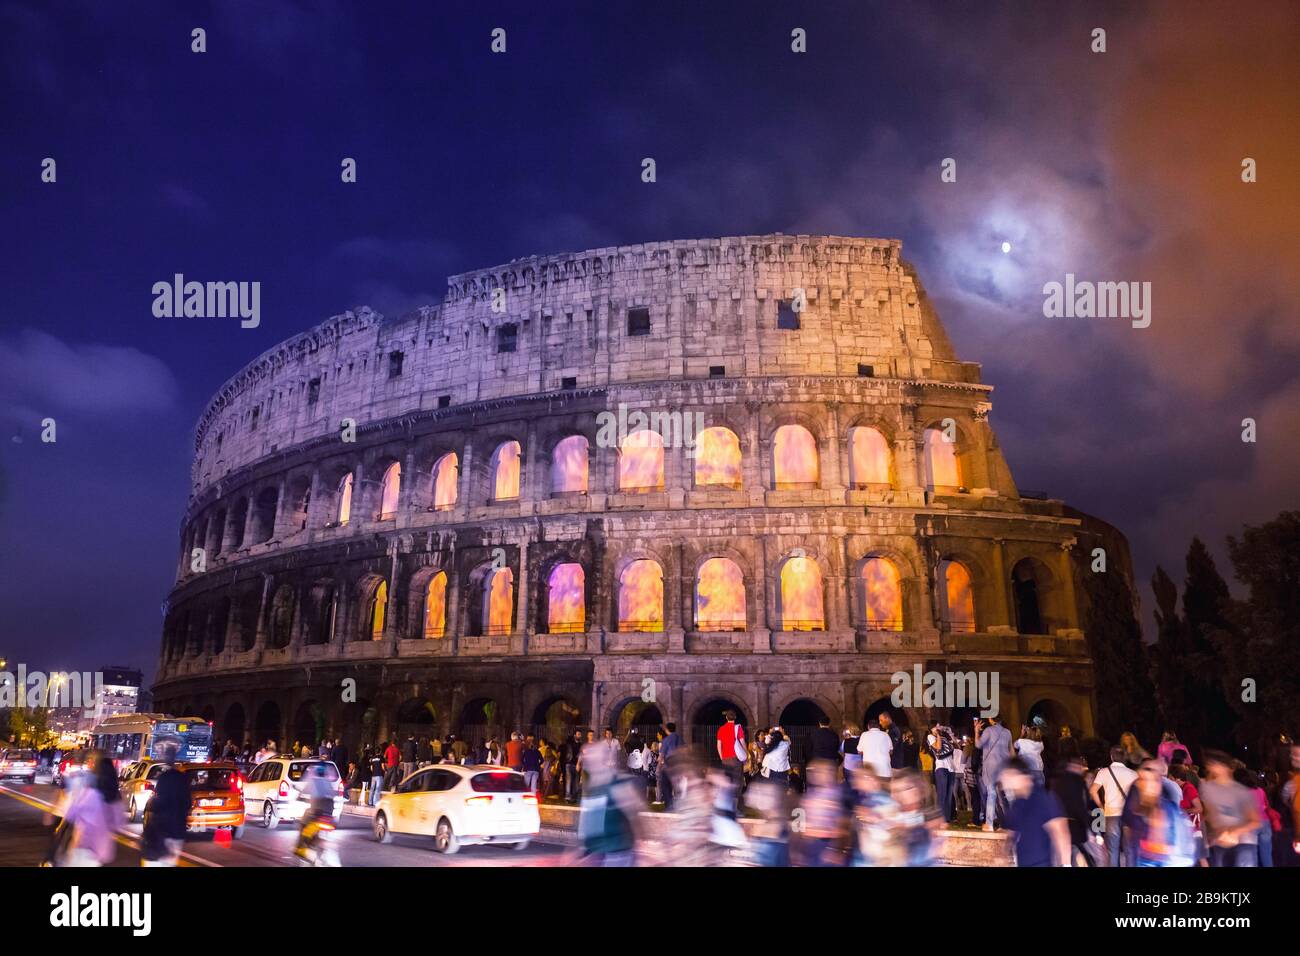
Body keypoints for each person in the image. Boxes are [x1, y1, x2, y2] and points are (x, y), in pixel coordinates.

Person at [575, 739, 643, 866]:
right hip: (596, 855)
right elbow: (587, 826)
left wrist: (640, 843)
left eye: (592, 756)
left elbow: (636, 815)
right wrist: (578, 852)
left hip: (618, 855)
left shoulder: (618, 784)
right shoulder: (591, 789)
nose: (588, 759)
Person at [1000, 757, 1070, 867]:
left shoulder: (1043, 798)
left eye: (1007, 775)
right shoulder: (1017, 803)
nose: (1003, 779)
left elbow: (1060, 832)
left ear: (1021, 776)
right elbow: (1012, 833)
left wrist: (1066, 865)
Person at [1124, 758, 1195, 867]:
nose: (1146, 786)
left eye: (1151, 781)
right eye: (1143, 781)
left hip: (1168, 860)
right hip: (1145, 859)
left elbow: (1183, 849)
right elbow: (1128, 818)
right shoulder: (1136, 796)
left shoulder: (1170, 805)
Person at [58, 754, 124, 867]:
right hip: (98, 853)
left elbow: (71, 814)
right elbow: (118, 825)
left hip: (81, 847)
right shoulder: (116, 800)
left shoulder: (89, 794)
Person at [1199, 750, 1259, 867]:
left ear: (1226, 767)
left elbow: (1255, 821)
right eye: (1209, 765)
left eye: (1213, 764)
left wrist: (1232, 832)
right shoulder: (1207, 789)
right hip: (1219, 842)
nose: (1210, 768)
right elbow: (1209, 814)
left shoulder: (1240, 791)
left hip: (1244, 843)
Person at [141, 745, 190, 867]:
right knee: (170, 863)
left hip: (162, 829)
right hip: (177, 830)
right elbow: (188, 803)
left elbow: (157, 802)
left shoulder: (163, 778)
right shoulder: (182, 778)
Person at [1089, 745, 1137, 866]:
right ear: (1125, 757)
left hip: (1111, 814)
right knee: (1129, 850)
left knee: (1112, 850)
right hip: (1129, 815)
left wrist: (1100, 806)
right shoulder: (1133, 774)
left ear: (1111, 757)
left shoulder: (1104, 772)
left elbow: (1092, 791)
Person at [1051, 755, 1102, 866]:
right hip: (1075, 826)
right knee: (1083, 855)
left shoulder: (1056, 781)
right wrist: (1093, 831)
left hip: (1059, 826)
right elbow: (1080, 807)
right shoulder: (1078, 782)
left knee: (1066, 857)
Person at [975, 715, 1012, 831]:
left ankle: (989, 823)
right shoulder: (1007, 732)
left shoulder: (988, 730)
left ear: (991, 719)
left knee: (991, 794)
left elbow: (978, 745)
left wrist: (976, 731)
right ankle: (1009, 824)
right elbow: (1011, 750)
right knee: (1004, 796)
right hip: (1004, 767)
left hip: (991, 766)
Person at [927, 721, 956, 823]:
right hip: (941, 767)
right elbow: (938, 748)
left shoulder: (944, 737)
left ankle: (946, 818)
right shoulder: (930, 737)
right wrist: (938, 734)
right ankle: (940, 818)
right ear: (932, 728)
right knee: (942, 794)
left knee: (949, 794)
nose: (939, 728)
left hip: (951, 767)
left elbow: (957, 745)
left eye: (940, 726)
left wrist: (950, 733)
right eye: (937, 726)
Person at [715, 710, 746, 796]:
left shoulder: (721, 729)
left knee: (728, 780)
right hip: (736, 758)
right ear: (735, 717)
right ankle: (735, 802)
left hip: (725, 759)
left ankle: (727, 799)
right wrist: (745, 754)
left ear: (726, 718)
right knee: (737, 780)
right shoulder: (738, 728)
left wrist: (722, 758)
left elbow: (719, 745)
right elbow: (743, 742)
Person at [657, 722, 682, 808]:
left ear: (667, 730)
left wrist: (659, 767)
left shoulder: (666, 740)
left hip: (669, 765)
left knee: (666, 786)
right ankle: (679, 805)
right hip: (679, 765)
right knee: (678, 786)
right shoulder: (680, 739)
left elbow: (662, 755)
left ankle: (669, 806)